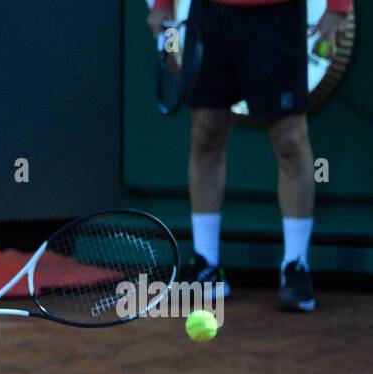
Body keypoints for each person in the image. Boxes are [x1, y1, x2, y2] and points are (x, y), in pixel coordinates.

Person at [147, 0, 351, 311]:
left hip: (277, 19)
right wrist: (162, 4)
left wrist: (338, 7)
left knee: (290, 138)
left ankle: (296, 266)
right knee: (205, 130)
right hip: (209, 16)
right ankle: (206, 263)